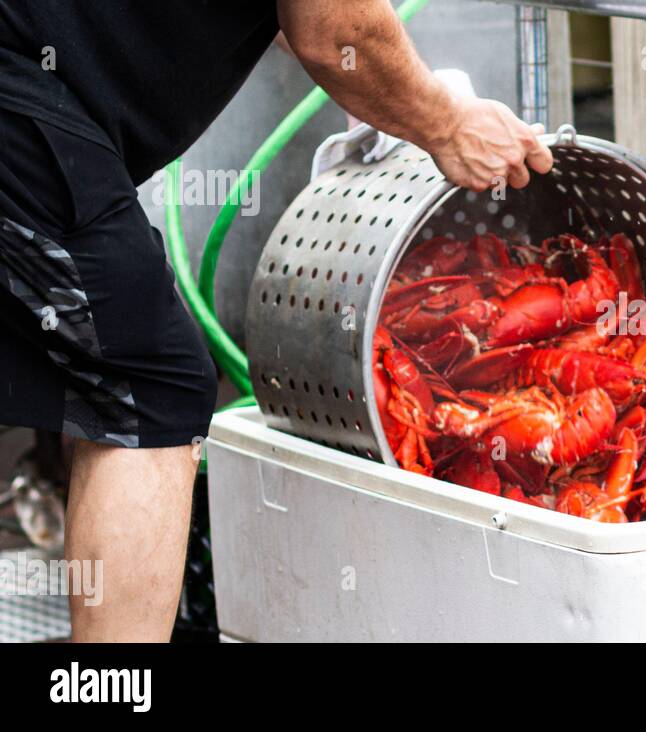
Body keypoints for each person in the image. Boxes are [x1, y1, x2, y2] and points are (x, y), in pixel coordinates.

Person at [0, 0, 553, 642]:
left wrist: (390, 88)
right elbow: (332, 30)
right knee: (149, 383)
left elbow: (316, 24)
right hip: (22, 95)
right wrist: (446, 122)